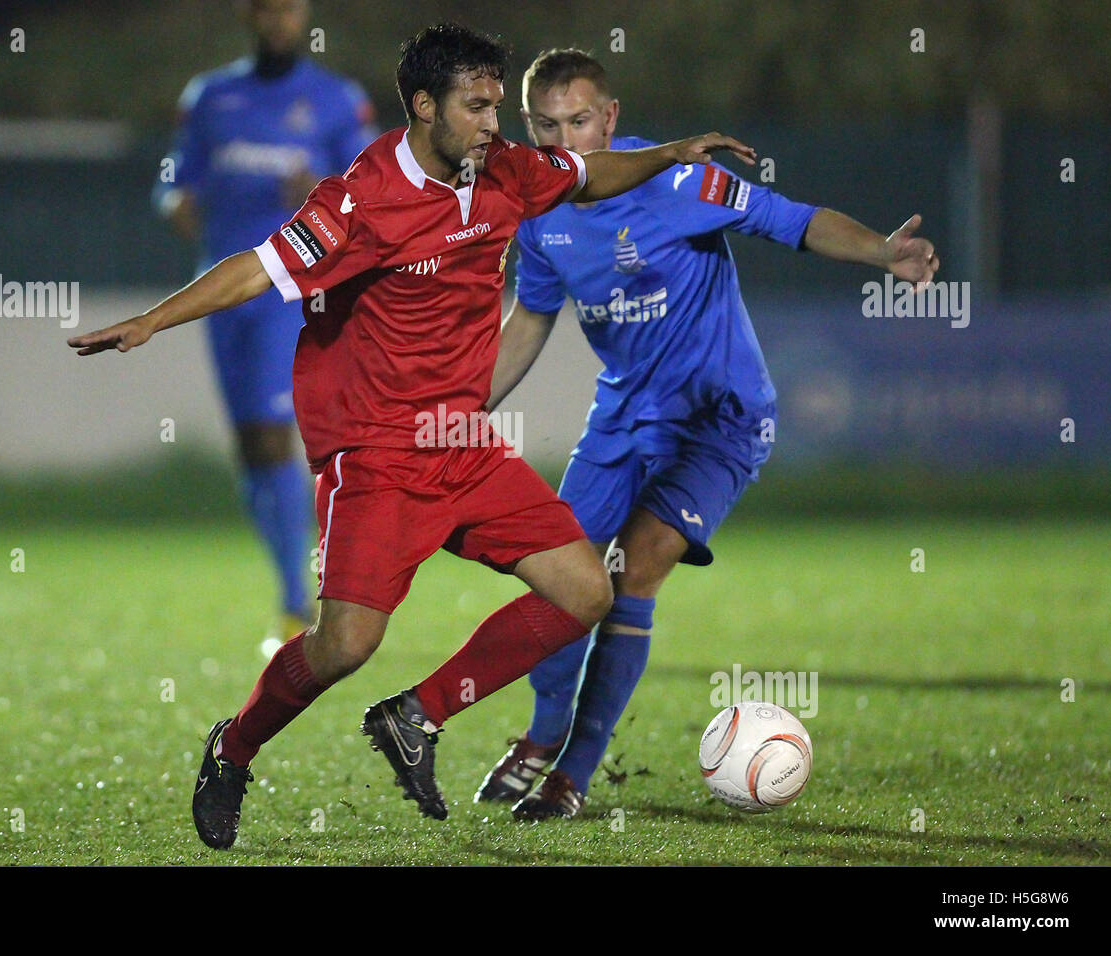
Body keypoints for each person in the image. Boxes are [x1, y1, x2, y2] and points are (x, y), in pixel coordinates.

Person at [70, 24, 756, 849]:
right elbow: (258, 265)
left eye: (498, 105)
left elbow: (589, 174)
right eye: (477, 106)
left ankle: (417, 716)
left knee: (585, 592)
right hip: (379, 453)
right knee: (344, 645)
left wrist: (676, 150)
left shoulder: (503, 170)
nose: (494, 123)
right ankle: (235, 749)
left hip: (463, 444)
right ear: (424, 106)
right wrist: (154, 320)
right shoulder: (361, 199)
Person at [477, 49, 938, 820]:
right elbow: (529, 319)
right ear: (530, 127)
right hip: (622, 416)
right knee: (560, 579)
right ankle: (544, 733)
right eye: (548, 126)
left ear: (611, 118)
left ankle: (573, 774)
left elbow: (790, 221)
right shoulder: (541, 210)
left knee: (640, 566)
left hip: (721, 417)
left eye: (581, 122)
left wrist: (880, 251)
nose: (567, 141)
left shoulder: (677, 179)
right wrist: (463, 405)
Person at [154, 0, 376, 638]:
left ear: (303, 15)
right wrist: (173, 200)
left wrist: (321, 194)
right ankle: (293, 582)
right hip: (222, 290)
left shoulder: (335, 99)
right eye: (268, 8)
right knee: (253, 443)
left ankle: (295, 602)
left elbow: (369, 192)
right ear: (250, 15)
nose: (279, 19)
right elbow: (176, 173)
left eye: (289, 8)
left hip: (291, 289)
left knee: (278, 434)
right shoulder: (210, 96)